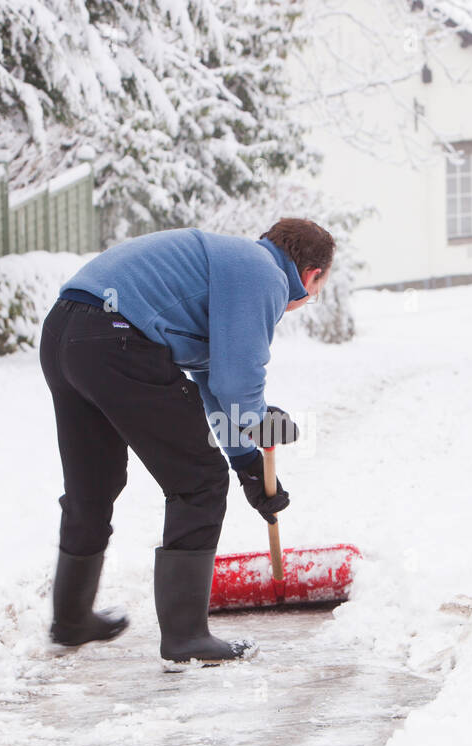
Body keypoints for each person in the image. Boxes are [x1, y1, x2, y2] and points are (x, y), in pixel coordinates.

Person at [38, 218, 334, 663]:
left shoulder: (230, 264)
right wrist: (259, 420)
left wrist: (248, 465)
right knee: (198, 480)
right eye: (316, 290)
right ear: (310, 277)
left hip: (67, 332)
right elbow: (238, 385)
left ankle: (70, 619)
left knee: (93, 486)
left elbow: (214, 379)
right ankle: (186, 637)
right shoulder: (266, 275)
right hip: (117, 337)